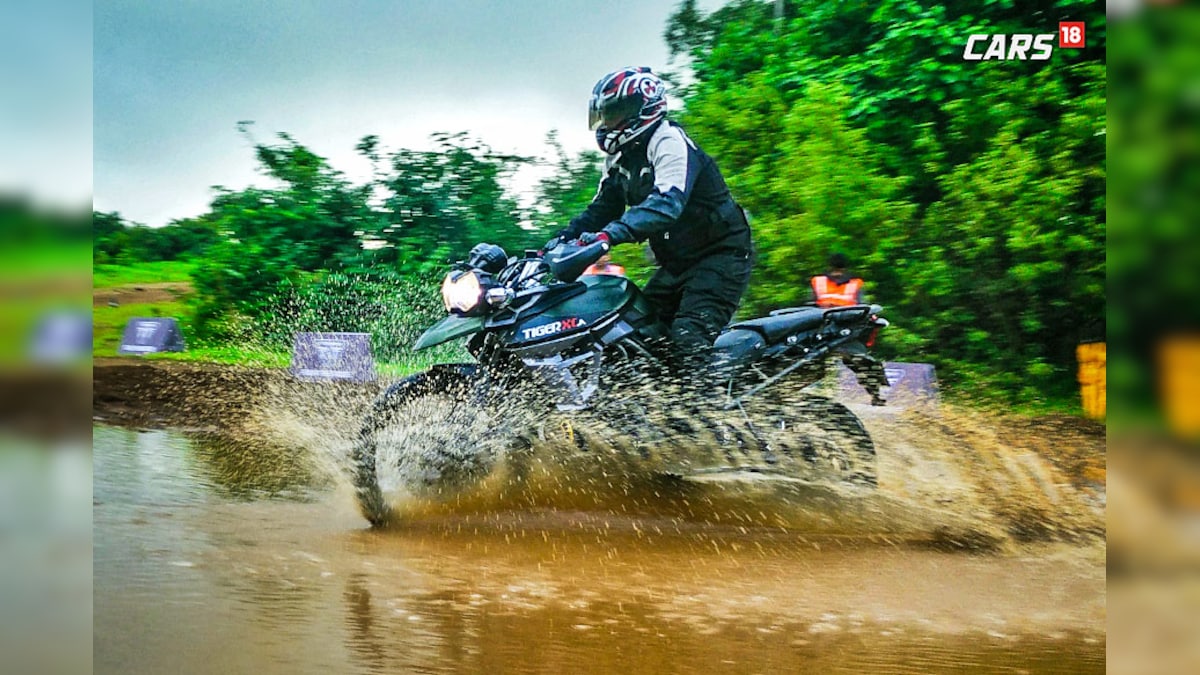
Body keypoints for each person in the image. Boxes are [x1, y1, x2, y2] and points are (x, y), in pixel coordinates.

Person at [550, 66, 753, 359]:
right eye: (605, 114)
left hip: (721, 255)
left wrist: (608, 236)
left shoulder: (668, 140)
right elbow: (600, 210)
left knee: (688, 338)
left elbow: (666, 204)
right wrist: (553, 246)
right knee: (638, 335)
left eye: (616, 112)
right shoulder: (619, 159)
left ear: (642, 109)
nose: (608, 122)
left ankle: (715, 404)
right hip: (675, 264)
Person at [809, 252, 888, 405]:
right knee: (860, 361)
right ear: (845, 267)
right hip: (845, 332)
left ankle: (807, 391)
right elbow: (862, 307)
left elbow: (809, 305)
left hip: (819, 330)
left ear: (830, 265)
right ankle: (876, 394)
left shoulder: (817, 281)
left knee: (807, 360)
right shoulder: (855, 284)